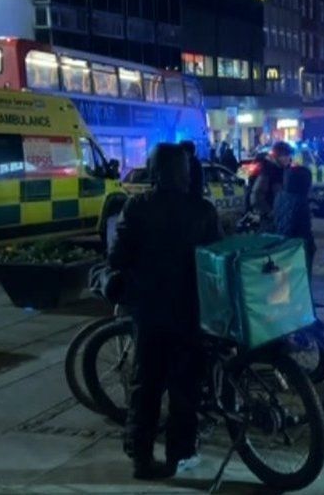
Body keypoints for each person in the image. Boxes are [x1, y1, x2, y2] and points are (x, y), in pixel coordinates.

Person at [108, 144, 222, 479]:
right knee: (185, 388)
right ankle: (178, 455)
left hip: (150, 310)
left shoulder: (138, 206)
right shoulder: (202, 210)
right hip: (190, 311)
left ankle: (141, 458)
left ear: (154, 171)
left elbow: (118, 257)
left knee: (146, 385)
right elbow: (215, 258)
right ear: (185, 173)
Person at [275, 166, 316, 274]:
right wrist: (311, 246)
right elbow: (303, 229)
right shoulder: (300, 201)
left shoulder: (280, 196)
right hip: (298, 246)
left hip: (282, 242)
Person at [251, 141, 293, 231]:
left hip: (282, 217)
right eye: (284, 155)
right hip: (270, 220)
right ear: (277, 156)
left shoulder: (285, 171)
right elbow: (257, 195)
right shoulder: (268, 172)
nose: (287, 158)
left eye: (288, 155)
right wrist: (269, 212)